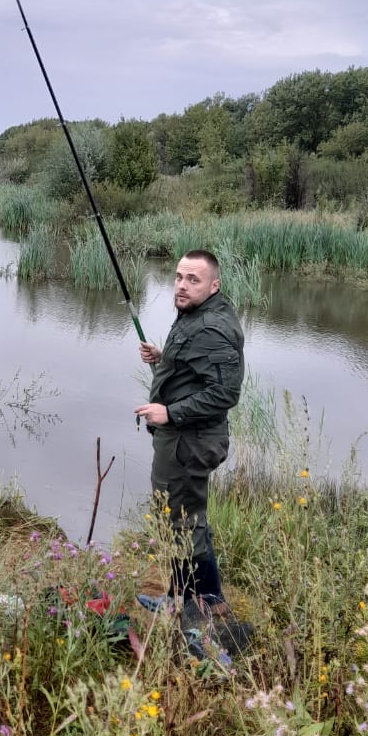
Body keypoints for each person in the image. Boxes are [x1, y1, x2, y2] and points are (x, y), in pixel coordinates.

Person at [134, 249, 244, 610]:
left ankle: (185, 602)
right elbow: (198, 369)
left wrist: (170, 412)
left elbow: (226, 393)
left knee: (180, 521)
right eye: (179, 277)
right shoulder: (199, 313)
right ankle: (209, 598)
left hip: (189, 440)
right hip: (187, 438)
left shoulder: (212, 327)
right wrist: (164, 358)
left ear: (214, 285)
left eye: (192, 280)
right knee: (190, 516)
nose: (181, 286)